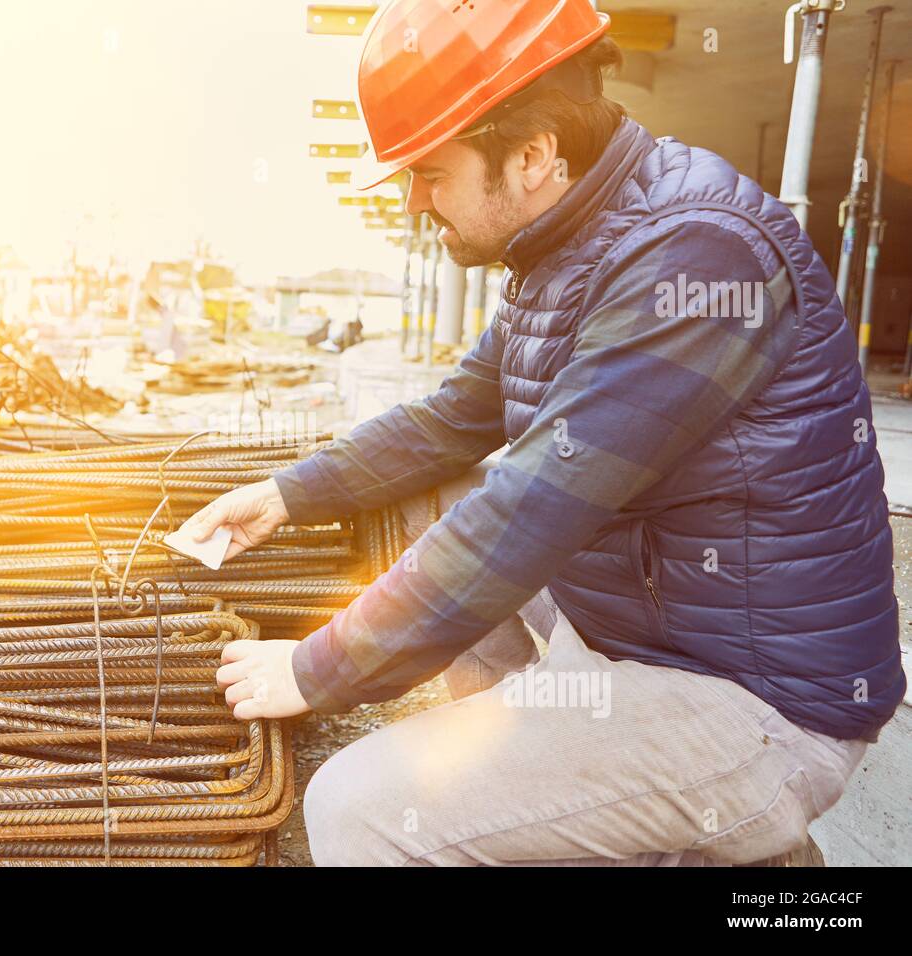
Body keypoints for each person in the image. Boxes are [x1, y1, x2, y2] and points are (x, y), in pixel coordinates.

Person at [177, 0, 904, 866]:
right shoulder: (563, 250)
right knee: (430, 487)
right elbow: (451, 422)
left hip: (755, 701)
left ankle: (660, 811)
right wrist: (284, 494)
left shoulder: (698, 256)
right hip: (654, 635)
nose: (414, 200)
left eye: (430, 172)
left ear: (532, 156)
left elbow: (533, 508)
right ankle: (549, 778)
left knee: (357, 810)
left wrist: (314, 669)